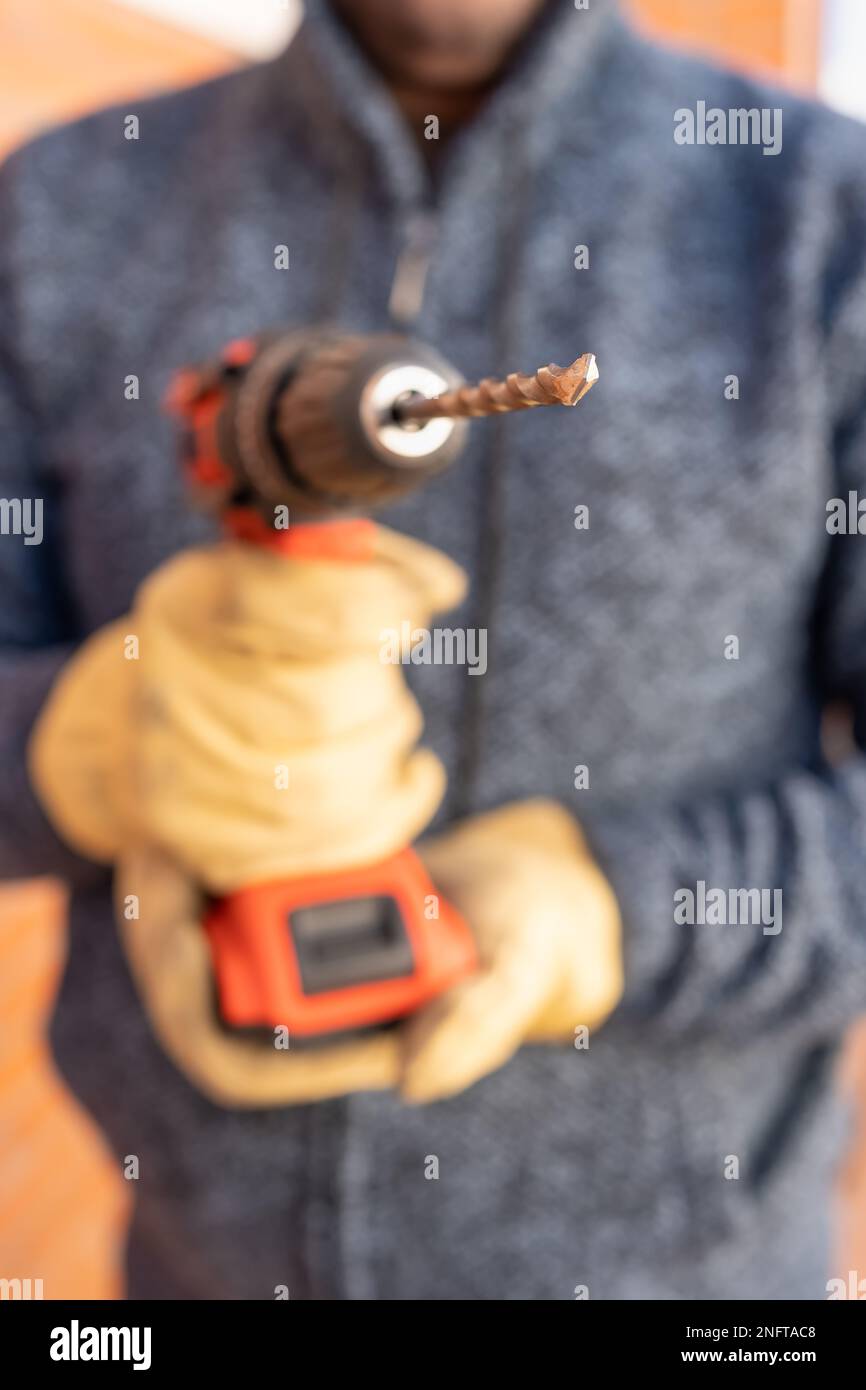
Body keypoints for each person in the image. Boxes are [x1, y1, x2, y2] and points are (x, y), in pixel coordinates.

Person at [1, 0, 865, 1300]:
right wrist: (92, 744)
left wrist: (611, 913)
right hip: (186, 1274)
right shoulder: (64, 200)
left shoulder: (820, 216)